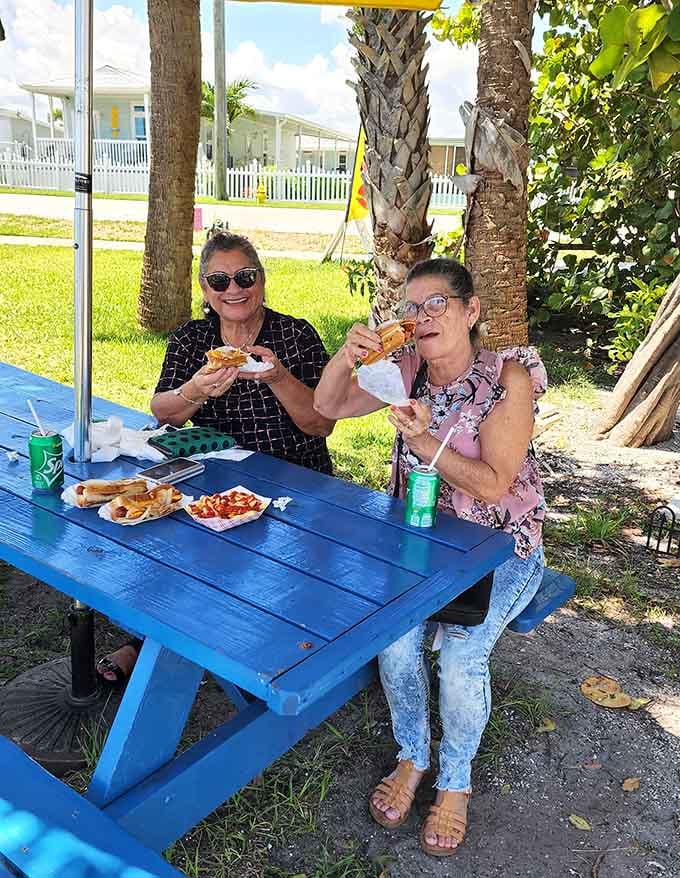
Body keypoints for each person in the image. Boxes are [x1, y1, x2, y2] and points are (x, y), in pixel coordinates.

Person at [314, 257, 547, 857]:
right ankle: (413, 754)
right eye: (410, 308)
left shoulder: (507, 376)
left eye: (436, 303)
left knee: (462, 658)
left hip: (499, 547)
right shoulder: (405, 368)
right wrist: (348, 354)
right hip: (417, 542)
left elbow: (495, 485)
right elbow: (329, 408)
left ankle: (456, 782)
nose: (420, 318)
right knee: (394, 638)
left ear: (471, 312)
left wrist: (421, 441)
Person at [96, 231, 335, 685]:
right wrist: (195, 390)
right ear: (205, 290)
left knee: (285, 569)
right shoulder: (193, 339)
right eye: (219, 281)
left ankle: (278, 649)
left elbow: (320, 424)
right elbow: (162, 411)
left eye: (244, 276)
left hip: (297, 479)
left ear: (261, 279)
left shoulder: (295, 335)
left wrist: (278, 377)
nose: (234, 290)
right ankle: (149, 642)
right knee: (163, 542)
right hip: (217, 478)